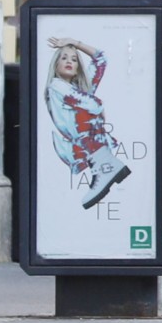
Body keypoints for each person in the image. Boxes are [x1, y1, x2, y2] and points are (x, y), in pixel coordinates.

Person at [43, 37, 129, 208]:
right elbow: (93, 104)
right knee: (85, 111)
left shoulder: (78, 88)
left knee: (85, 109)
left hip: (88, 140)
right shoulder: (56, 86)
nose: (69, 61)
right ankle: (105, 164)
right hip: (83, 139)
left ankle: (105, 165)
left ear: (77, 68)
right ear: (55, 64)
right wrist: (98, 105)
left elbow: (100, 60)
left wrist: (76, 43)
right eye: (64, 58)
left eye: (74, 59)